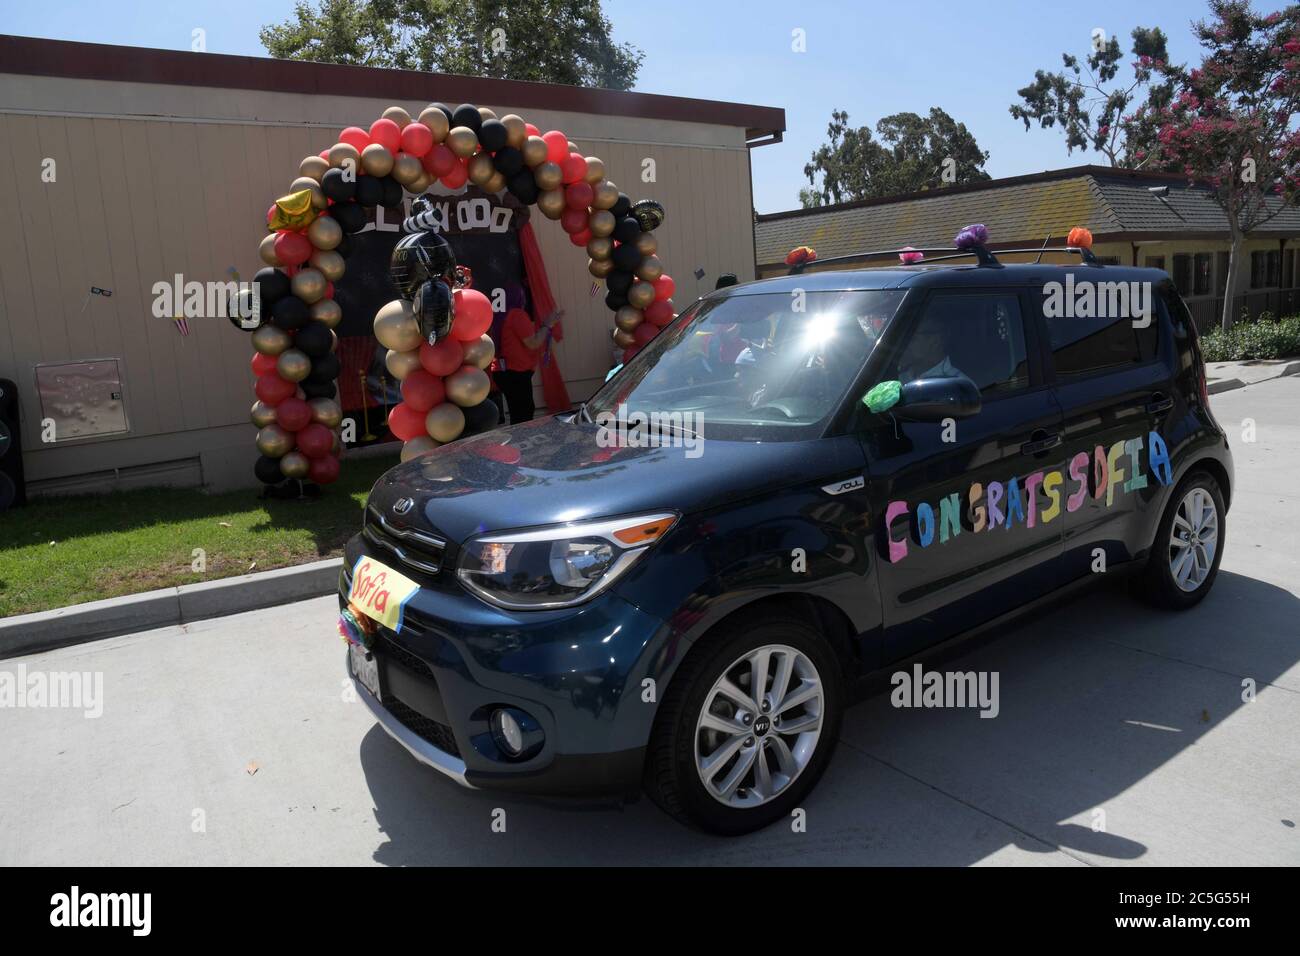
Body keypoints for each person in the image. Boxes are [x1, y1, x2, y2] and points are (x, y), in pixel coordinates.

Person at [496, 301, 562, 424]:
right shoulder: (516, 314)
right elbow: (533, 342)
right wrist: (547, 325)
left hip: (504, 371)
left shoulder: (501, 314)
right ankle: (520, 442)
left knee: (519, 413)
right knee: (523, 415)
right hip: (515, 372)